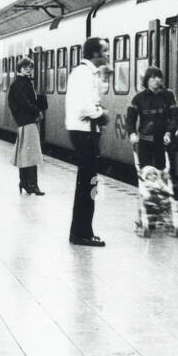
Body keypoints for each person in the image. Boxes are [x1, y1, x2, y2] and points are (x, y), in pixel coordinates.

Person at [65, 36, 110, 247]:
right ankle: (81, 233)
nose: (108, 55)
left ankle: (83, 230)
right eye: (105, 51)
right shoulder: (82, 74)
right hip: (85, 132)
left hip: (86, 131)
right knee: (88, 184)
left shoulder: (88, 73)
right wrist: (101, 113)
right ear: (95, 54)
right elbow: (85, 106)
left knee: (88, 183)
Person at [126, 66, 178, 172]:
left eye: (159, 77)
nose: (156, 80)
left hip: (163, 143)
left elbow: (175, 118)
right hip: (145, 143)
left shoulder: (168, 96)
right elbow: (130, 119)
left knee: (163, 173)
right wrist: (132, 133)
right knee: (147, 174)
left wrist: (169, 133)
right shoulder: (138, 98)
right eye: (153, 78)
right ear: (147, 80)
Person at [7, 57, 46, 195]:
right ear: (19, 69)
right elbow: (23, 103)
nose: (28, 69)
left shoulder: (24, 82)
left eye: (30, 67)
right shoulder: (19, 84)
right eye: (25, 67)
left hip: (26, 121)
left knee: (26, 154)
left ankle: (24, 183)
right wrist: (36, 112)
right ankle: (32, 184)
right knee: (32, 154)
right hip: (27, 121)